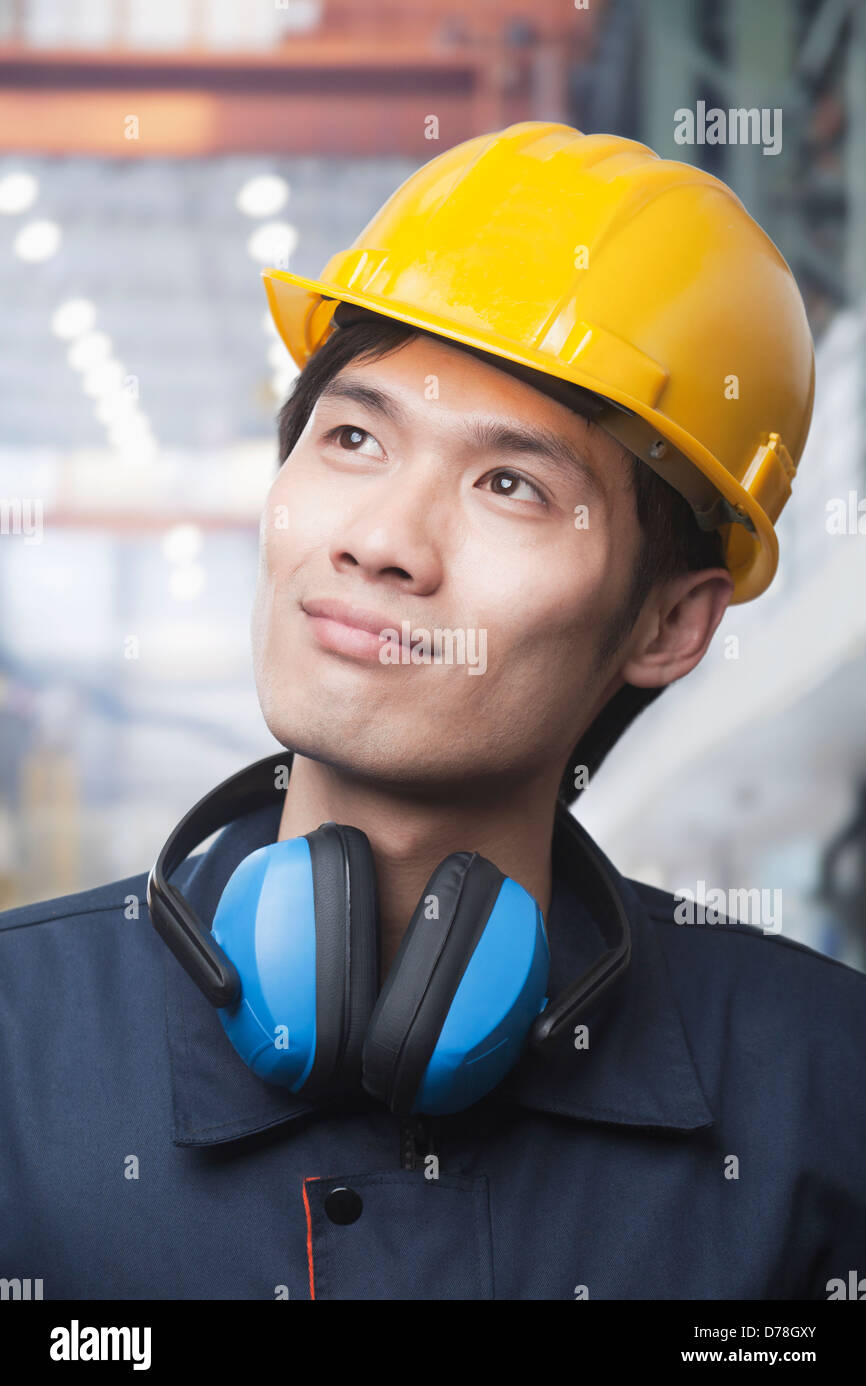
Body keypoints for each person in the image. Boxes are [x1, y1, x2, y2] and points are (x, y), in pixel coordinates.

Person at [1, 123, 863, 1302]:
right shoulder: (20, 1048)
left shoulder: (821, 1096)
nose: (380, 541)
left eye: (510, 483)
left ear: (668, 623)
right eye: (351, 437)